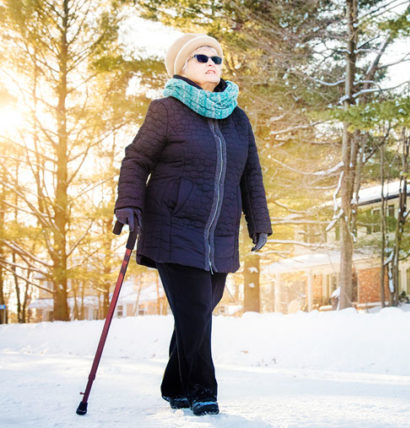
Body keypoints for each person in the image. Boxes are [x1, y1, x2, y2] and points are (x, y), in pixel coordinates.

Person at [114, 33, 272, 416]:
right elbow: (137, 160)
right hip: (172, 227)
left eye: (217, 57)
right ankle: (203, 390)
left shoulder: (237, 119)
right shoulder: (166, 110)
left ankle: (174, 385)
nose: (211, 63)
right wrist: (129, 203)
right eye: (201, 57)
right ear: (181, 67)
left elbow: (250, 174)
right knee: (196, 308)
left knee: (198, 312)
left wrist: (259, 222)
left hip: (218, 235)